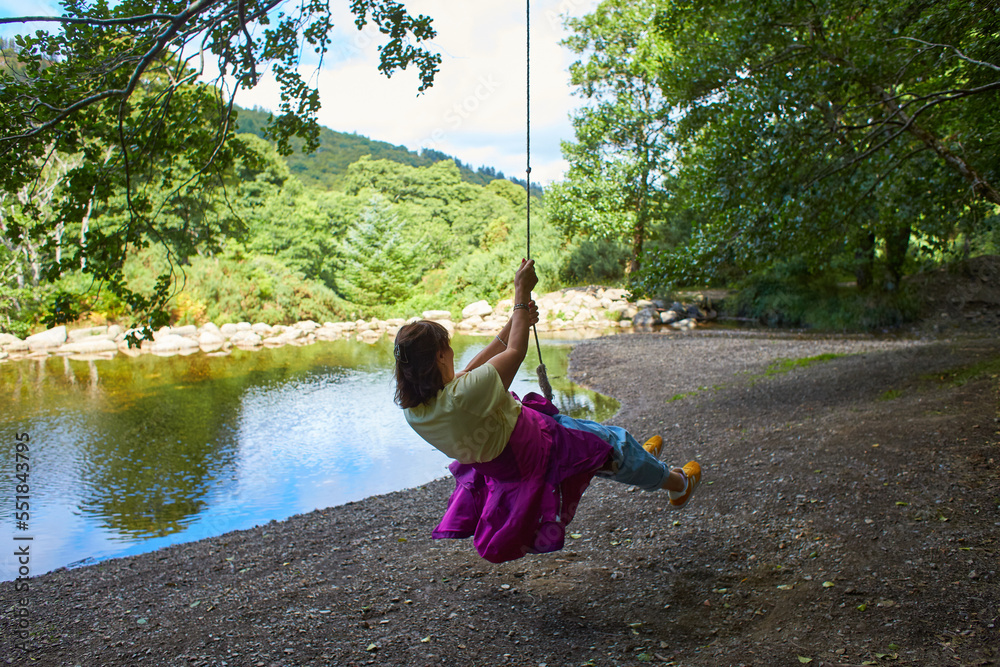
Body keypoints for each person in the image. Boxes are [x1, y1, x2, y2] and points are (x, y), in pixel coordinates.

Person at [393, 258, 701, 563]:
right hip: (536, 448)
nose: (452, 350)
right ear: (438, 357)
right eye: (447, 346)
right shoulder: (463, 395)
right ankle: (677, 483)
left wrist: (518, 320)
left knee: (599, 444)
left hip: (513, 450)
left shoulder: (418, 408)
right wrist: (520, 292)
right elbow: (514, 352)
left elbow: (470, 373)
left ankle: (642, 461)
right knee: (611, 445)